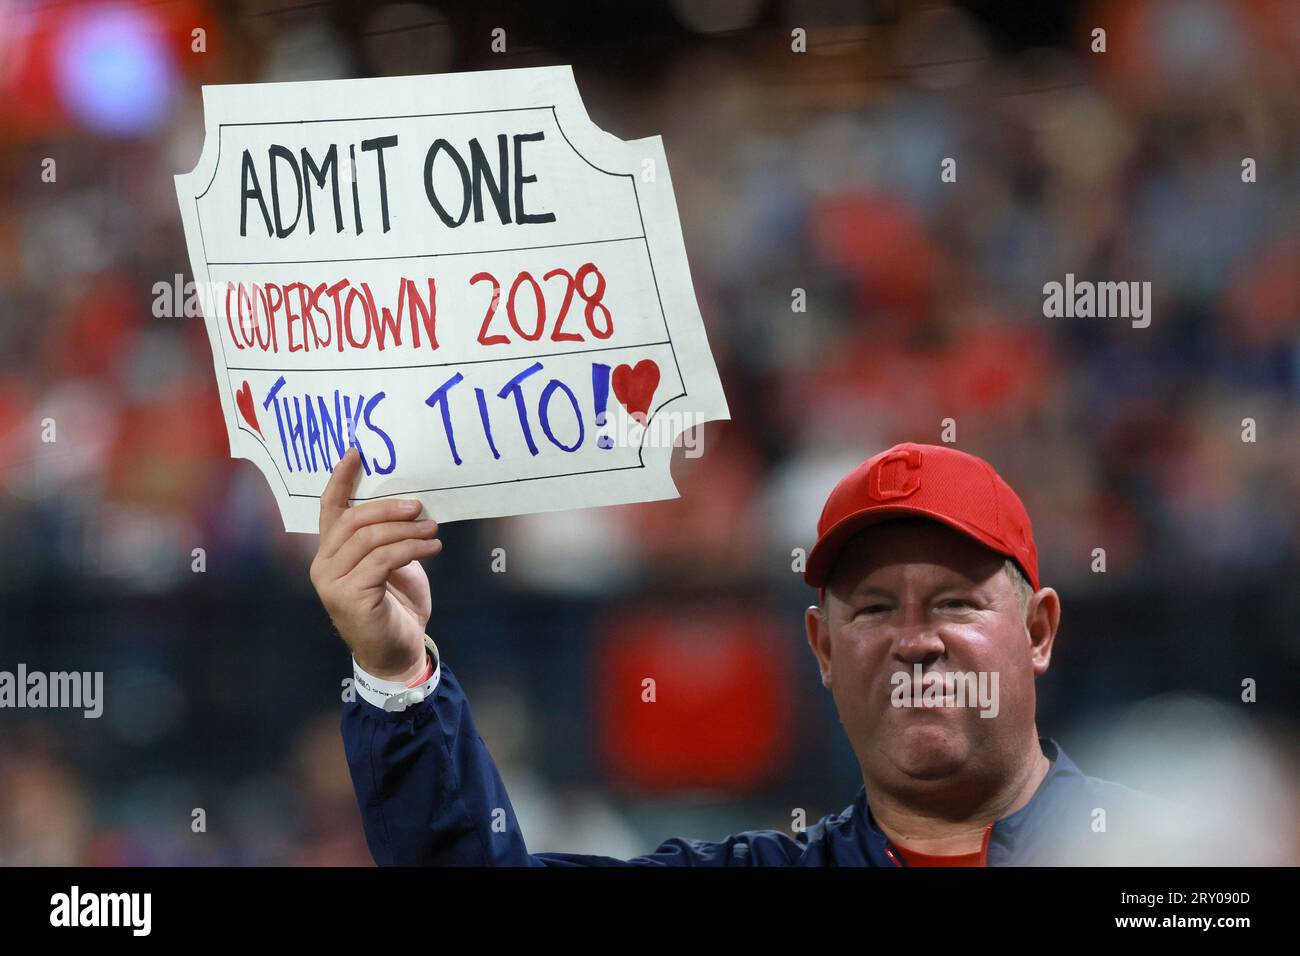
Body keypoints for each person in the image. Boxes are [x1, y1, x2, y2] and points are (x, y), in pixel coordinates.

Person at [312, 441, 1180, 865]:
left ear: (1038, 633)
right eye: (873, 609)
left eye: (956, 601)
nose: (917, 640)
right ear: (824, 650)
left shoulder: (1180, 860)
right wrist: (398, 674)